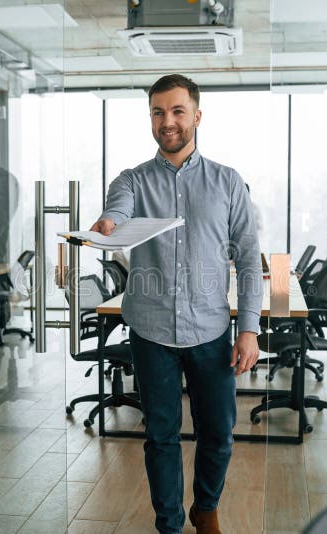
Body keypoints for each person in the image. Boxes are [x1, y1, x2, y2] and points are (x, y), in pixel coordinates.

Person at [90, 74, 262, 534]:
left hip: (210, 333)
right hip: (151, 334)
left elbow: (248, 259)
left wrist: (249, 329)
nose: (168, 121)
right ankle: (168, 526)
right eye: (158, 112)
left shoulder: (228, 183)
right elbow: (118, 209)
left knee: (219, 435)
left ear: (197, 116)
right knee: (160, 437)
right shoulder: (132, 180)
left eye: (177, 111)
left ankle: (206, 508)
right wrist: (109, 223)